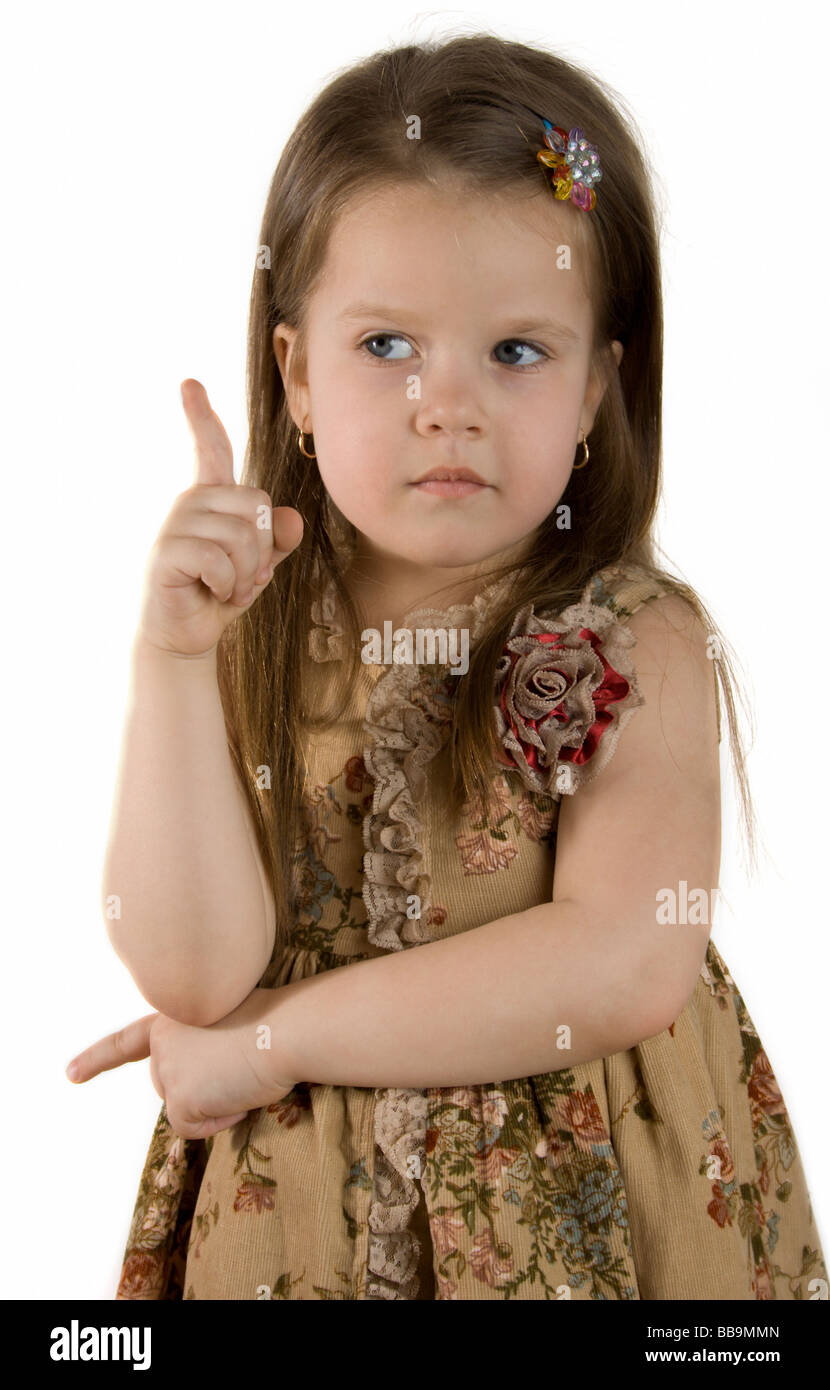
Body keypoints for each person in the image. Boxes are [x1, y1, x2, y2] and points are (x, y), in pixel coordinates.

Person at [66, 33, 826, 1301]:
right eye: (385, 348)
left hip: (578, 1229)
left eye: (517, 352)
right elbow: (193, 968)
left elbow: (620, 959)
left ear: (594, 391)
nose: (446, 404)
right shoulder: (251, 628)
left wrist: (272, 1041)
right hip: (299, 1221)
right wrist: (171, 659)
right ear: (295, 373)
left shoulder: (633, 639)